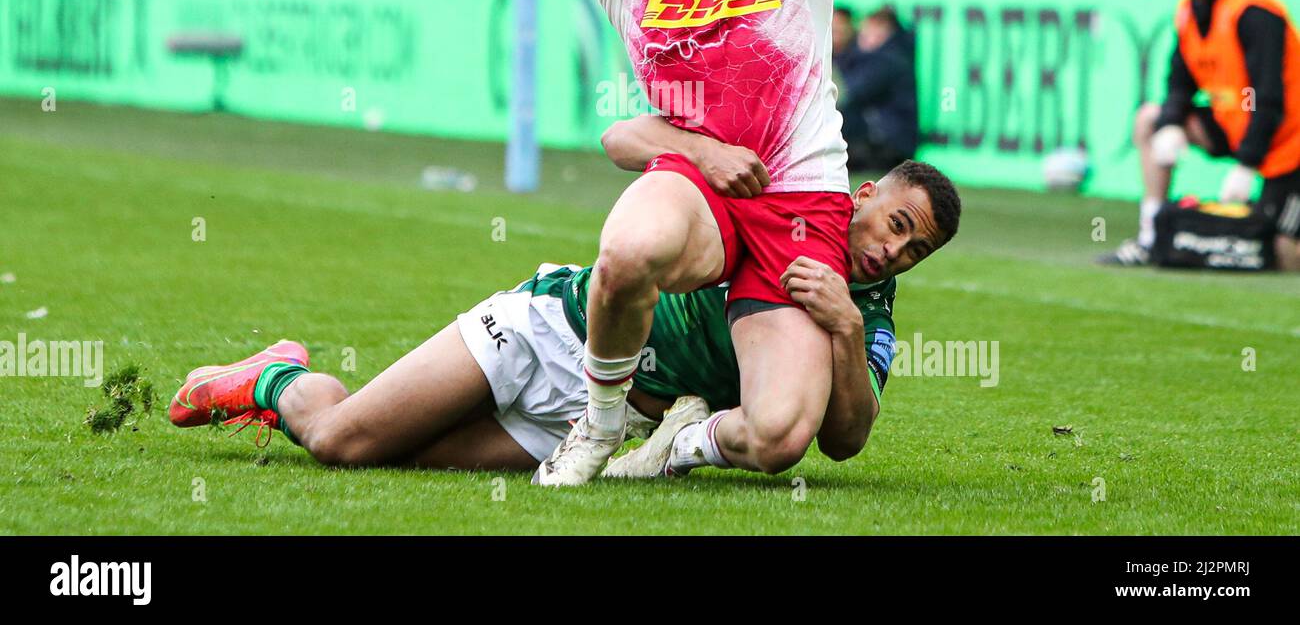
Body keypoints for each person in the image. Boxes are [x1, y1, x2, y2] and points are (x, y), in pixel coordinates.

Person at [506, 0, 918, 485]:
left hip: (798, 194)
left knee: (783, 436)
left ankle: (678, 445)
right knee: (627, 250)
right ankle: (597, 428)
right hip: (698, 182)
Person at [168, 140, 962, 479]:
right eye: (896, 225)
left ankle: (299, 387)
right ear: (864, 194)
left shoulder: (871, 316)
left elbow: (848, 441)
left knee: (395, 458)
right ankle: (274, 376)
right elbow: (631, 146)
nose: (893, 252)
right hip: (551, 331)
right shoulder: (788, 199)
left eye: (914, 250)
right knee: (343, 444)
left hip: (595, 423)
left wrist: (849, 331)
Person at [1100, 0, 1300, 270]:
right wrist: (1173, 123)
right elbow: (1179, 82)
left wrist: (1247, 165)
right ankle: (1150, 236)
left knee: (1284, 255)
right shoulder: (1188, 14)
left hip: (1288, 144)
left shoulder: (1253, 11)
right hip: (1237, 129)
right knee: (1150, 119)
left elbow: (1268, 99)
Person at [838, 6, 919, 172]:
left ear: (881, 30)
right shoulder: (895, 56)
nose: (860, 37)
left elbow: (851, 92)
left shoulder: (887, 61)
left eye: (866, 32)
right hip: (890, 142)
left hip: (887, 146)